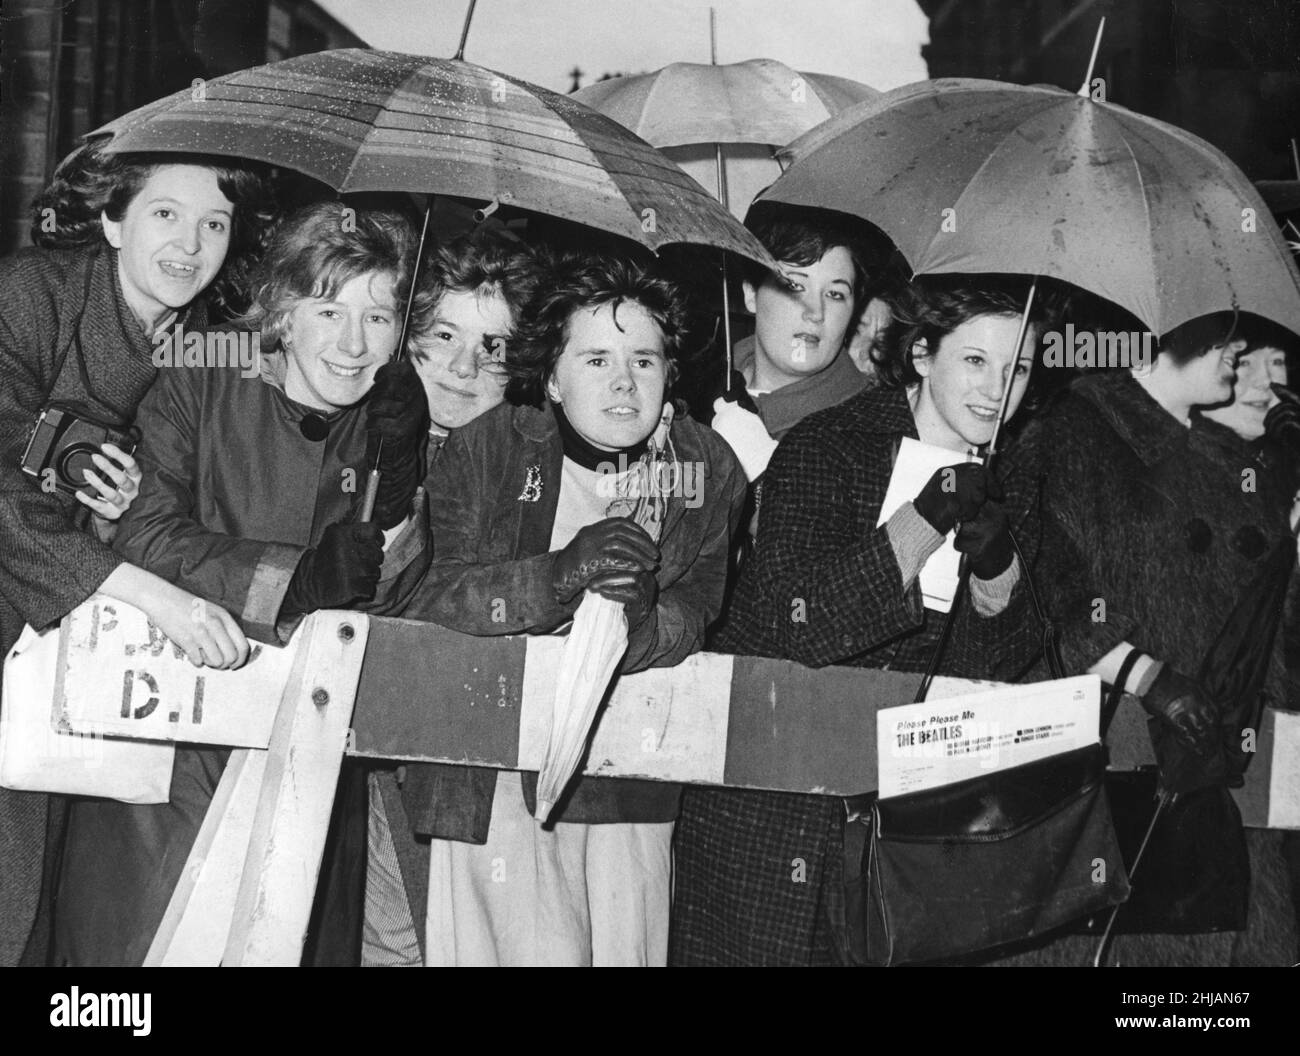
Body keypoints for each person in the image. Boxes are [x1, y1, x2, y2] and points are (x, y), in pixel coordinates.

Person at [51, 200, 432, 966]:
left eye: (380, 316)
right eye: (329, 310)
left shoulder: (387, 414)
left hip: (309, 765)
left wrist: (397, 508)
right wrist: (287, 582)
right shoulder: (204, 368)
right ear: (284, 313)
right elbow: (138, 528)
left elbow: (394, 603)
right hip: (172, 750)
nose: (356, 344)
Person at [670, 274, 1054, 966]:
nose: (998, 389)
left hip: (907, 836)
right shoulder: (832, 445)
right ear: (922, 355)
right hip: (774, 814)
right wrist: (923, 522)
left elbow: (1019, 667)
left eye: (1018, 367)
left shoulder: (1017, 481)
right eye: (975, 361)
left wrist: (999, 572)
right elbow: (799, 621)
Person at [400, 253, 747, 966]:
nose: (624, 381)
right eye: (595, 360)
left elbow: (700, 610)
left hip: (630, 778)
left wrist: (645, 623)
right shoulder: (488, 450)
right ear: (552, 377)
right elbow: (431, 599)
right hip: (491, 770)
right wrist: (559, 575)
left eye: (644, 361)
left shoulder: (706, 470)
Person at [0, 142, 272, 965]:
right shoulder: (30, 294)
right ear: (113, 221)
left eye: (214, 224)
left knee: (31, 893)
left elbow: (284, 367)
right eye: (165, 214)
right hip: (32, 596)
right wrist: (161, 597)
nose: (189, 246)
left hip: (60, 643)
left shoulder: (198, 342)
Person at [1007, 312, 1299, 966]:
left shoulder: (1233, 460)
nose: (1244, 354)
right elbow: (1038, 593)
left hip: (1214, 795)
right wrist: (1145, 674)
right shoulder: (1071, 432)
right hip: (1096, 787)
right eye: (1229, 337)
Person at [362, 230, 548, 967]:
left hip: (482, 783)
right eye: (444, 334)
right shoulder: (355, 436)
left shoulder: (537, 462)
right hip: (358, 767)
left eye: (495, 347)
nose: (467, 367)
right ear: (407, 335)